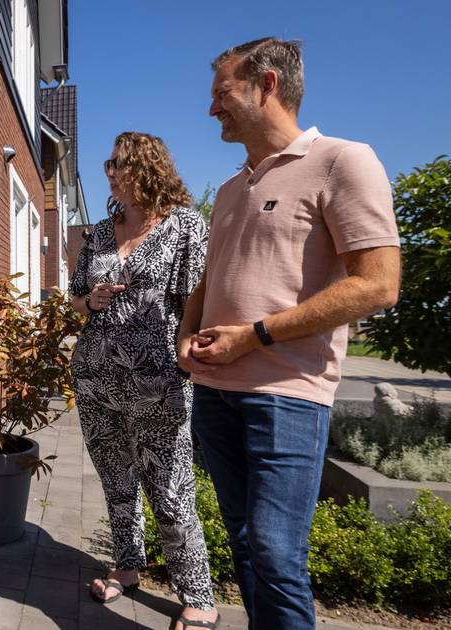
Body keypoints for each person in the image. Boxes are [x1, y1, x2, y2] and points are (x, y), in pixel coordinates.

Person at [179, 38, 400, 630]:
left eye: (222, 93)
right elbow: (211, 275)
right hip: (215, 392)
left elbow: (377, 286)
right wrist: (187, 328)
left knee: (278, 557)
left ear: (266, 84)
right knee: (247, 548)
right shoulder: (230, 190)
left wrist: (253, 336)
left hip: (287, 397)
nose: (212, 109)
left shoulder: (343, 161)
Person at [70, 132, 218, 629]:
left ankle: (198, 596)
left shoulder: (185, 227)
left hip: (161, 382)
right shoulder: (97, 233)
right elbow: (73, 301)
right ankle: (128, 567)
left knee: (171, 487)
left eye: (120, 163)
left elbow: (198, 303)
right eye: (108, 162)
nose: (110, 171)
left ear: (147, 167)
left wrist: (185, 362)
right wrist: (90, 301)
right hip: (95, 377)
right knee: (116, 481)